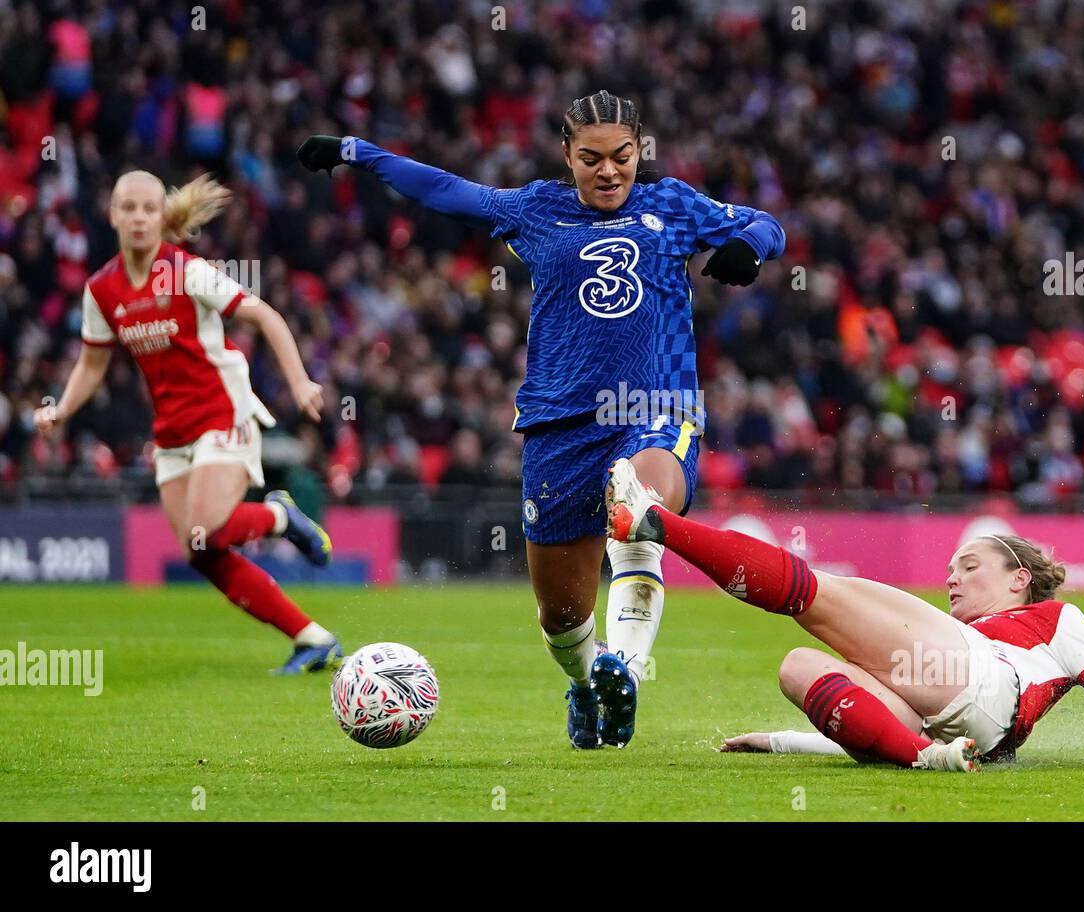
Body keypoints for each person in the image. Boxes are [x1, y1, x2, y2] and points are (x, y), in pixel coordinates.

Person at [297, 89, 786, 748]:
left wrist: (748, 247)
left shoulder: (672, 204)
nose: (608, 171)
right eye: (591, 158)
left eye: (622, 156)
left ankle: (626, 669)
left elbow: (767, 224)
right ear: (567, 155)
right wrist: (360, 152)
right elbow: (446, 190)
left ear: (639, 150)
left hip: (654, 407)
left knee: (638, 509)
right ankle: (586, 685)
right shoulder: (535, 209)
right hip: (560, 421)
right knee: (561, 616)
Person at [606, 458, 1084, 770]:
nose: (952, 578)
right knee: (798, 666)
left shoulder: (1055, 618)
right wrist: (777, 740)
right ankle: (930, 759)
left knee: (819, 593)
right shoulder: (954, 645)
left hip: (989, 684)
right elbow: (869, 725)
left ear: (1019, 579)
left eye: (970, 566)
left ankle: (656, 522)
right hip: (962, 731)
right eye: (951, 569)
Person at [34, 170, 342, 675]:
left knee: (206, 530)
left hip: (222, 412)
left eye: (148, 208)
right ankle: (313, 638)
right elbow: (91, 363)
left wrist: (300, 381)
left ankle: (280, 516)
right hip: (172, 432)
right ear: (112, 215)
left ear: (161, 217)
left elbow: (264, 315)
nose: (138, 217)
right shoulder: (101, 289)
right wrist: (61, 410)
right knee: (200, 551)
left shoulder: (185, 271)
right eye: (128, 208)